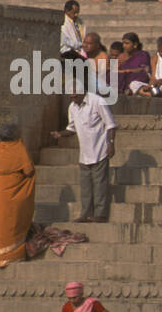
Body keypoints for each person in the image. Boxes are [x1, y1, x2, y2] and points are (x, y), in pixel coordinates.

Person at [50, 87, 116, 223]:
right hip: (84, 153)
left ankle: (100, 214)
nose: (73, 99)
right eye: (71, 97)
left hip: (100, 149)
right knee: (85, 186)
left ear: (82, 92)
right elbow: (71, 128)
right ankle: (86, 214)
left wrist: (111, 144)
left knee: (99, 184)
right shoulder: (72, 107)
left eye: (75, 96)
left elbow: (111, 125)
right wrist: (60, 134)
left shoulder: (98, 101)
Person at [0, 123, 36, 268]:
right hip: (13, 191)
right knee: (13, 221)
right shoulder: (19, 148)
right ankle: (12, 256)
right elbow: (28, 171)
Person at [117, 32, 152, 97]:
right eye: (123, 43)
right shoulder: (121, 56)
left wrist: (127, 71)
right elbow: (115, 70)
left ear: (135, 45)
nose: (124, 46)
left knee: (136, 78)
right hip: (125, 81)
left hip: (138, 81)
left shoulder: (143, 54)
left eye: (127, 43)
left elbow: (145, 70)